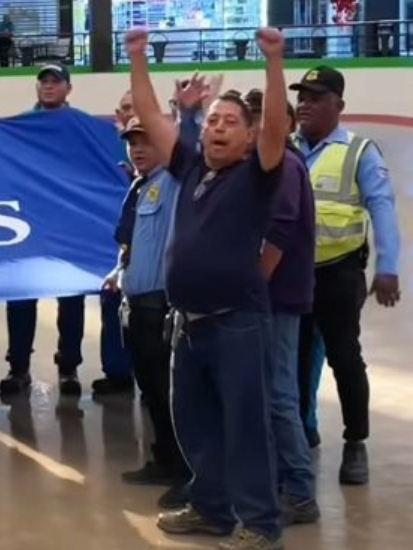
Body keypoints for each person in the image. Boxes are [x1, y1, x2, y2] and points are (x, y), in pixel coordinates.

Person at [127, 26, 289, 550]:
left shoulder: (259, 173)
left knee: (246, 428)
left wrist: (273, 62)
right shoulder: (194, 165)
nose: (218, 128)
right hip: (188, 326)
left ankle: (261, 525)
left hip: (237, 322)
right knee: (195, 426)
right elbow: (152, 119)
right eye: (212, 120)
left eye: (230, 123)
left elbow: (276, 129)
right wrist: (137, 58)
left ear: (247, 138)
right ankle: (211, 508)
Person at [290, 65, 402, 486]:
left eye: (316, 98)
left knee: (344, 358)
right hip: (293, 275)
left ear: (339, 105)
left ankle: (356, 443)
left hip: (339, 275)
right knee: (295, 357)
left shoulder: (360, 151)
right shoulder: (286, 147)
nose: (305, 104)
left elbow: (383, 209)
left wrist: (387, 268)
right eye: (302, 96)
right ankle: (301, 430)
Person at [4, 64, 132, 398]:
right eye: (43, 81)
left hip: (71, 227)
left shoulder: (84, 129)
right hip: (29, 227)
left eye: (55, 82)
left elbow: (112, 159)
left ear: (68, 88)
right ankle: (18, 368)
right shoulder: (20, 127)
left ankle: (68, 367)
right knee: (20, 298)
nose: (48, 87)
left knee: (71, 299)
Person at [242, 89, 321, 525]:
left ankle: (300, 491)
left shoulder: (285, 168)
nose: (258, 128)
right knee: (267, 391)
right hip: (268, 295)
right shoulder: (264, 169)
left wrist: (255, 282)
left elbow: (280, 227)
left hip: (277, 297)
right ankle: (278, 480)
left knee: (278, 393)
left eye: (265, 120)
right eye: (253, 120)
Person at [106, 116, 188, 510]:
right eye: (131, 142)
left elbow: (187, 149)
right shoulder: (140, 186)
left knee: (171, 395)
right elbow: (133, 245)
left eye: (146, 141)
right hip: (136, 306)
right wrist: (118, 273)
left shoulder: (172, 183)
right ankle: (166, 459)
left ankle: (187, 472)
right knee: (153, 393)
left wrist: (183, 115)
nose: (137, 148)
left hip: (159, 306)